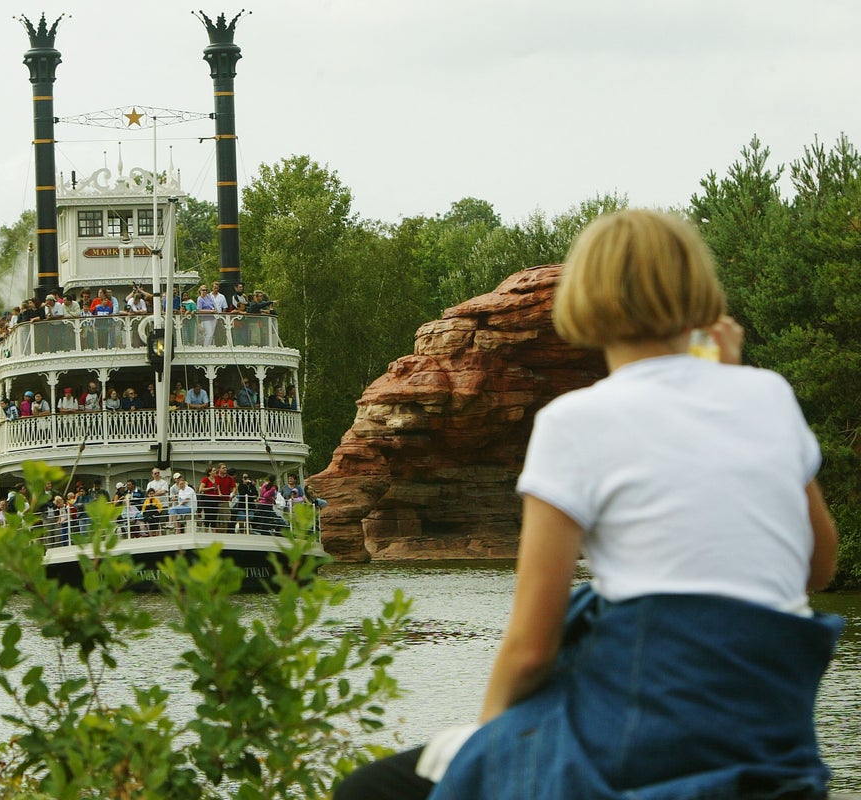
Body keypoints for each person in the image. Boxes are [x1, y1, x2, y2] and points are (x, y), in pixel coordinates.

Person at [335, 209, 841, 800]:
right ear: (701, 296)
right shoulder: (768, 396)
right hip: (771, 749)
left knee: (369, 792)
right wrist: (723, 375)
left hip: (638, 746)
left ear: (586, 300)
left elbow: (530, 649)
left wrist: (489, 747)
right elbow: (818, 568)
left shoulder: (575, 422)